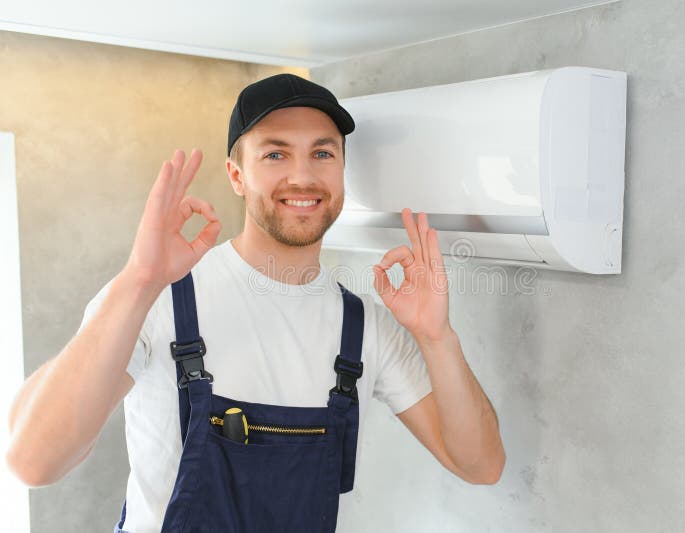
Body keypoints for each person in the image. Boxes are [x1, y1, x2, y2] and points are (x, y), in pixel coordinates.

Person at [6, 73, 505, 532]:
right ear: (236, 175)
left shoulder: (366, 327)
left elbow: (480, 465)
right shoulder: (159, 298)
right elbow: (33, 460)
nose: (303, 177)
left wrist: (437, 337)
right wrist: (140, 278)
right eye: (275, 154)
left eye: (323, 153)